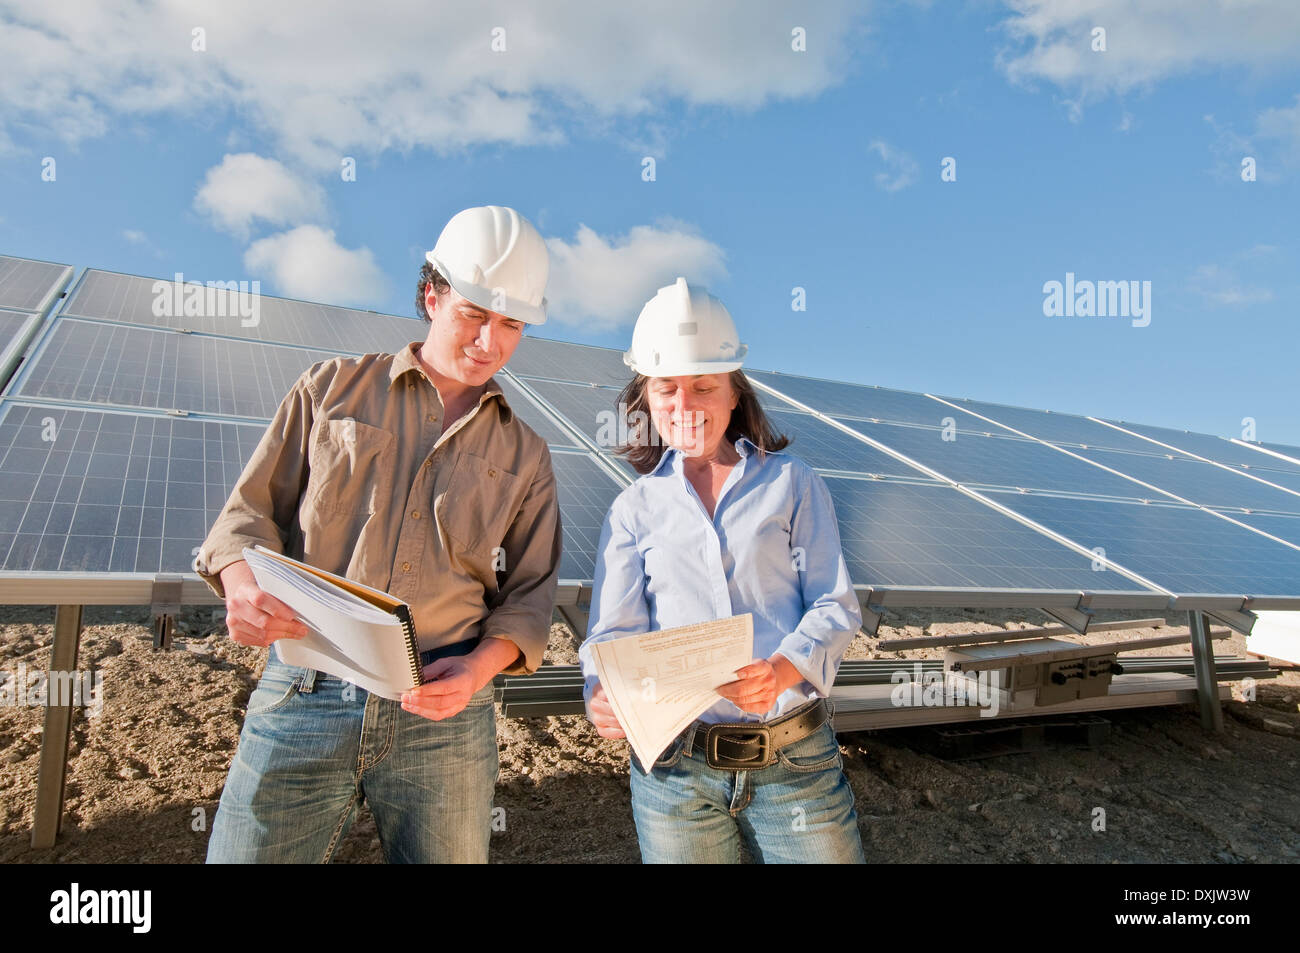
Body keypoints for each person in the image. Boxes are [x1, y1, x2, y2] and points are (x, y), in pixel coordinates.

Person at [194, 205, 562, 863]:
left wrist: (477, 671)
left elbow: (530, 596)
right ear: (432, 296)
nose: (489, 340)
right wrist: (240, 587)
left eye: (511, 323)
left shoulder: (526, 453)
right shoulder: (329, 389)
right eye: (474, 313)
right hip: (305, 687)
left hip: (444, 710)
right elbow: (244, 517)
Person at [579, 277, 865, 864]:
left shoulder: (792, 483)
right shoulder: (633, 509)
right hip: (673, 774)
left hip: (794, 762)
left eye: (704, 388)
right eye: (667, 391)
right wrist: (599, 694)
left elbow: (835, 604)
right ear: (647, 399)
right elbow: (612, 635)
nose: (684, 408)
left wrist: (783, 669)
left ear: (735, 394)